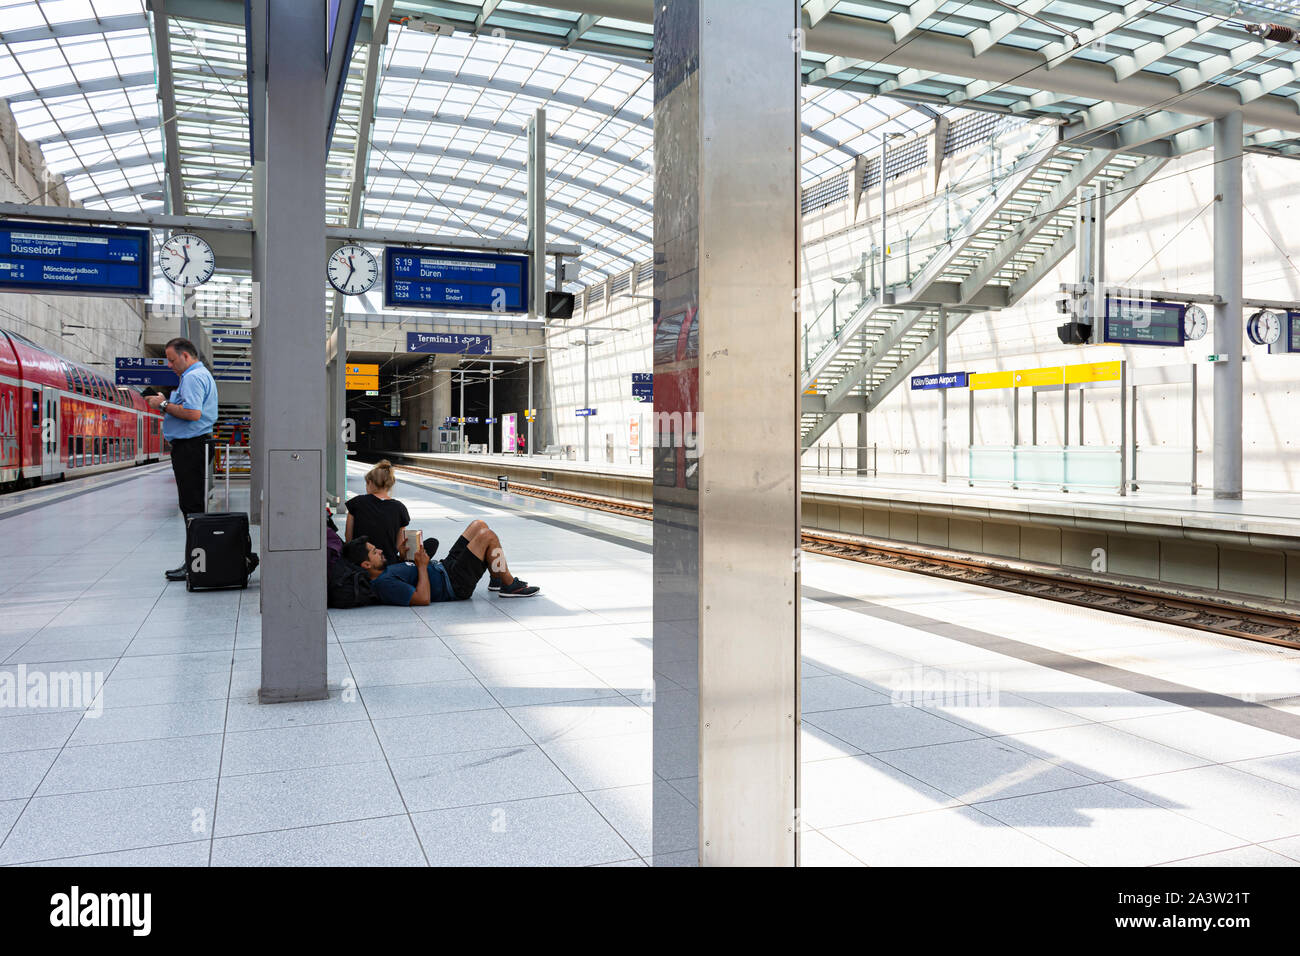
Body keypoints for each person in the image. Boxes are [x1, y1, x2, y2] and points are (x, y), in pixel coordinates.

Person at [145, 337, 218, 581]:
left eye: (172, 359)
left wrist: (163, 403)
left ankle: (196, 563)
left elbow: (193, 413)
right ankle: (195, 560)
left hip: (191, 447)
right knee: (192, 506)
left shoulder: (193, 377)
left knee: (192, 507)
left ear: (186, 356)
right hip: (193, 446)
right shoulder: (196, 376)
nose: (169, 365)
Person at [340, 519, 539, 605]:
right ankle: (508, 585)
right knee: (487, 536)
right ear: (366, 565)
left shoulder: (383, 571)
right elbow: (423, 599)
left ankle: (496, 578)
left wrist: (403, 556)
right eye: (375, 552)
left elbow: (406, 574)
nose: (381, 550)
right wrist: (422, 566)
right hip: (454, 584)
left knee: (479, 525)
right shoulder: (383, 584)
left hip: (444, 567)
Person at [344, 460, 424, 566]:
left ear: (370, 482)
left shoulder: (356, 503)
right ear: (390, 485)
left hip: (360, 563)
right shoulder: (399, 508)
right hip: (388, 564)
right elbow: (399, 545)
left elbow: (348, 537)